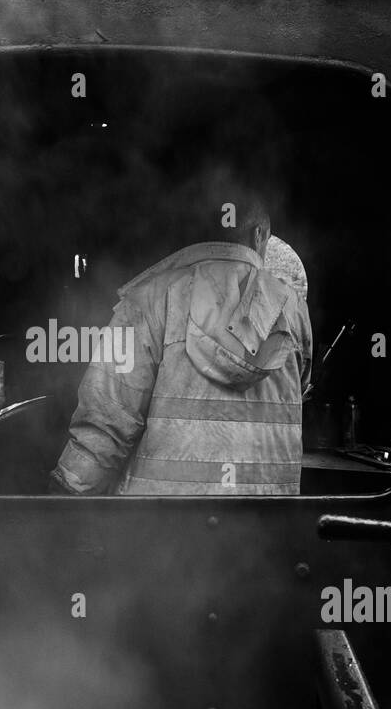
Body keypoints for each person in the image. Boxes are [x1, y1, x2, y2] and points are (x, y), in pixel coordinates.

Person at [49, 186, 312, 495]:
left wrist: (67, 492)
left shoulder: (147, 300)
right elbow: (301, 389)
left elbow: (107, 423)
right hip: (268, 523)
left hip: (166, 528)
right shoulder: (293, 310)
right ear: (260, 234)